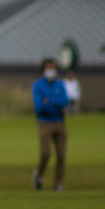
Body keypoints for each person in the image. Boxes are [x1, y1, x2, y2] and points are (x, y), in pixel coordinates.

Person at [31, 57, 70, 190]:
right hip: (45, 122)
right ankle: (39, 176)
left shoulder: (60, 84)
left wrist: (50, 100)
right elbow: (40, 106)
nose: (51, 71)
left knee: (61, 155)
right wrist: (55, 102)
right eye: (48, 68)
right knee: (46, 153)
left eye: (53, 68)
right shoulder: (38, 85)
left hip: (59, 121)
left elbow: (65, 101)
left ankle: (58, 183)